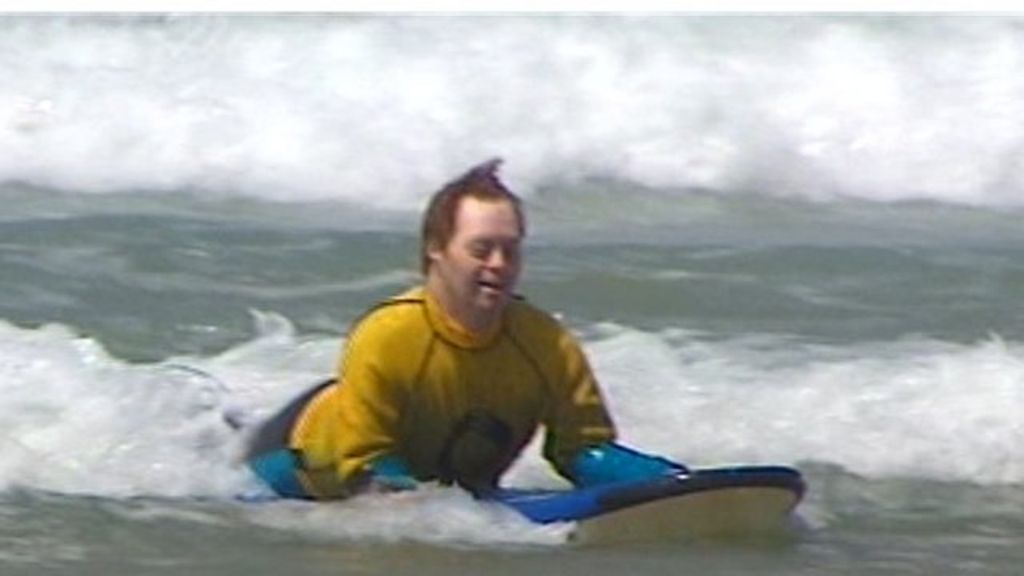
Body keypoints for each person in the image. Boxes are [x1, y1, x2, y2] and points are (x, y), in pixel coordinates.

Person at [246, 159, 686, 500]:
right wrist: (431, 511)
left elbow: (584, 452)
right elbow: (368, 470)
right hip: (289, 454)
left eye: (510, 250)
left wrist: (673, 482)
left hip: (428, 472)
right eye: (481, 249)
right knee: (224, 460)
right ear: (437, 249)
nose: (498, 264)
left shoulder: (546, 344)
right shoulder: (388, 337)